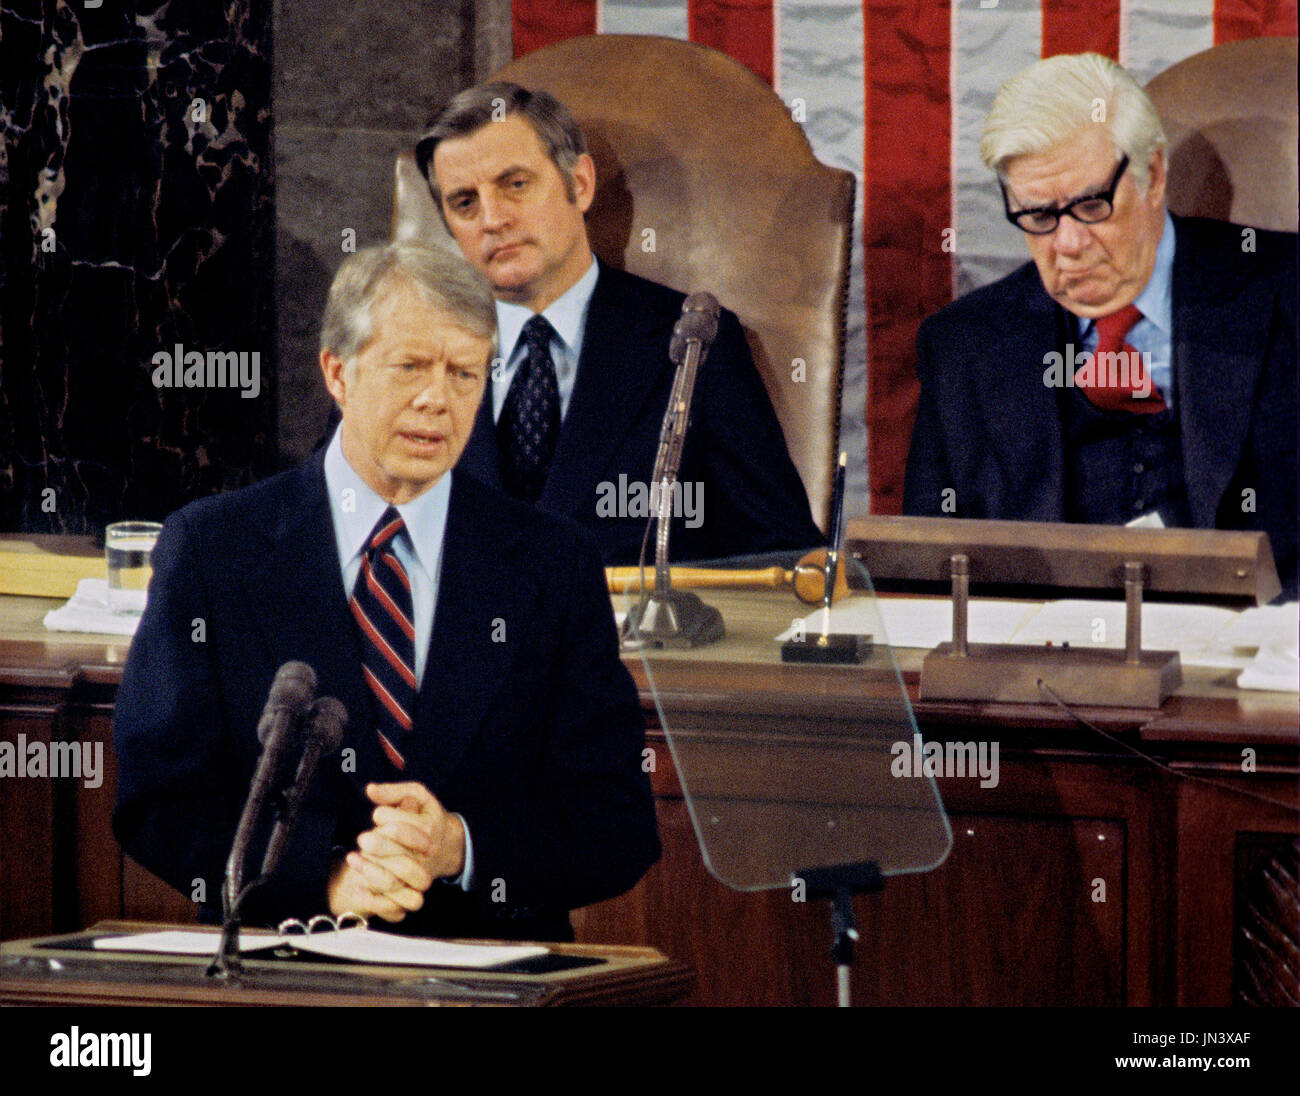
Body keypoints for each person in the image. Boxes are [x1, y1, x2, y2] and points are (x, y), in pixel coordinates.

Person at [112, 243, 660, 942]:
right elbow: (158, 802)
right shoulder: (214, 548)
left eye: (465, 373)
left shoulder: (555, 563)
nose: (438, 398)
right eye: (410, 367)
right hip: (287, 966)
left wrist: (458, 847)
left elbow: (617, 823)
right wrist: (324, 875)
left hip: (490, 978)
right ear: (338, 373)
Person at [904, 53, 1297, 596]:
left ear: (1153, 177)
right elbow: (927, 574)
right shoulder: (964, 349)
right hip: (1043, 663)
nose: (1067, 245)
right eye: (1039, 217)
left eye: (1091, 206)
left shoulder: (1287, 293)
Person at [414, 82, 823, 565]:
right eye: (465, 203)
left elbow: (787, 556)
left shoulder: (693, 342)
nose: (492, 218)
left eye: (515, 184)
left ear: (579, 184)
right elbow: (333, 519)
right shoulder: (406, 349)